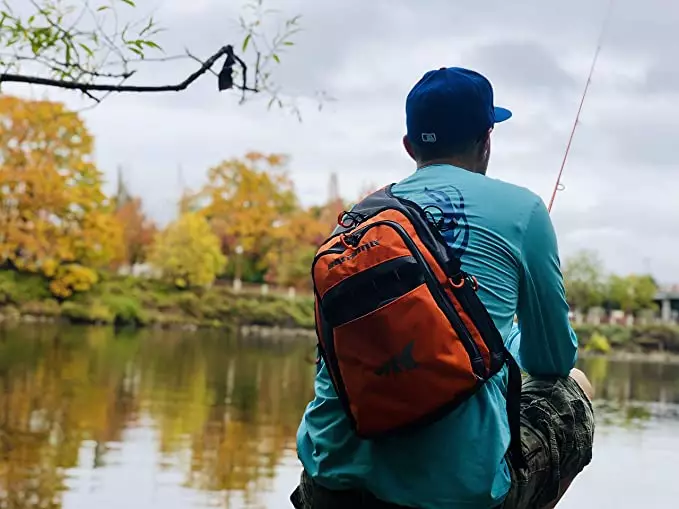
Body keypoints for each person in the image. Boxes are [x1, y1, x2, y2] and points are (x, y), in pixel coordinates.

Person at [291, 66, 595, 509]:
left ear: (410, 146)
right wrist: (503, 333)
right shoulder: (523, 210)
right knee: (574, 387)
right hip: (456, 493)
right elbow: (551, 361)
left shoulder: (361, 218)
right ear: (486, 140)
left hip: (329, 481)